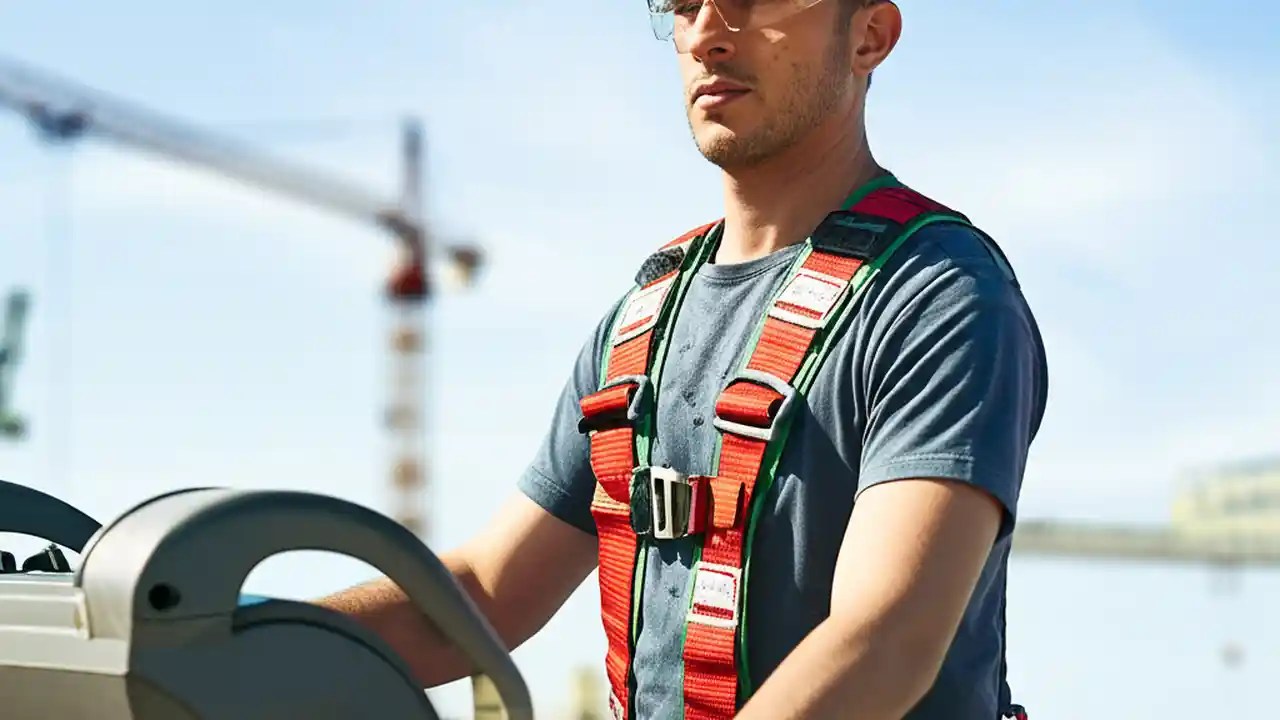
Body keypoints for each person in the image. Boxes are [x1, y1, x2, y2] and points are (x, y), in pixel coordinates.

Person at [317, 1, 1048, 718]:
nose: (705, 35)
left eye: (750, 0)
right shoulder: (645, 319)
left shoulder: (938, 296)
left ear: (870, 35)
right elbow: (487, 591)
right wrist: (230, 635)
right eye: (685, 3)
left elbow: (886, 642)